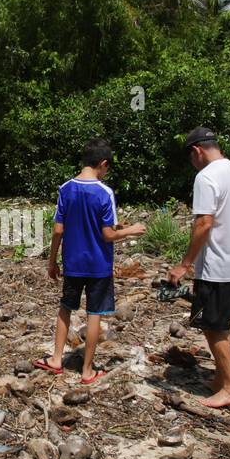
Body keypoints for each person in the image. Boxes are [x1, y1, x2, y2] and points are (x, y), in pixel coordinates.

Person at [36, 139, 145, 384]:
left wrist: (52, 261)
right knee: (94, 314)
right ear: (103, 164)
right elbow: (107, 234)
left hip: (72, 262)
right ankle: (87, 371)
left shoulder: (66, 188)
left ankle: (56, 359)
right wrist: (131, 230)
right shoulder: (104, 193)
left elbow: (58, 230)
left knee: (66, 308)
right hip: (98, 265)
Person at [168, 127, 230, 408]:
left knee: (215, 328)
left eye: (191, 158)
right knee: (218, 322)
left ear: (197, 151)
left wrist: (184, 264)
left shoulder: (206, 177)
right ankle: (219, 379)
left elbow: (204, 223)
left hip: (217, 264)